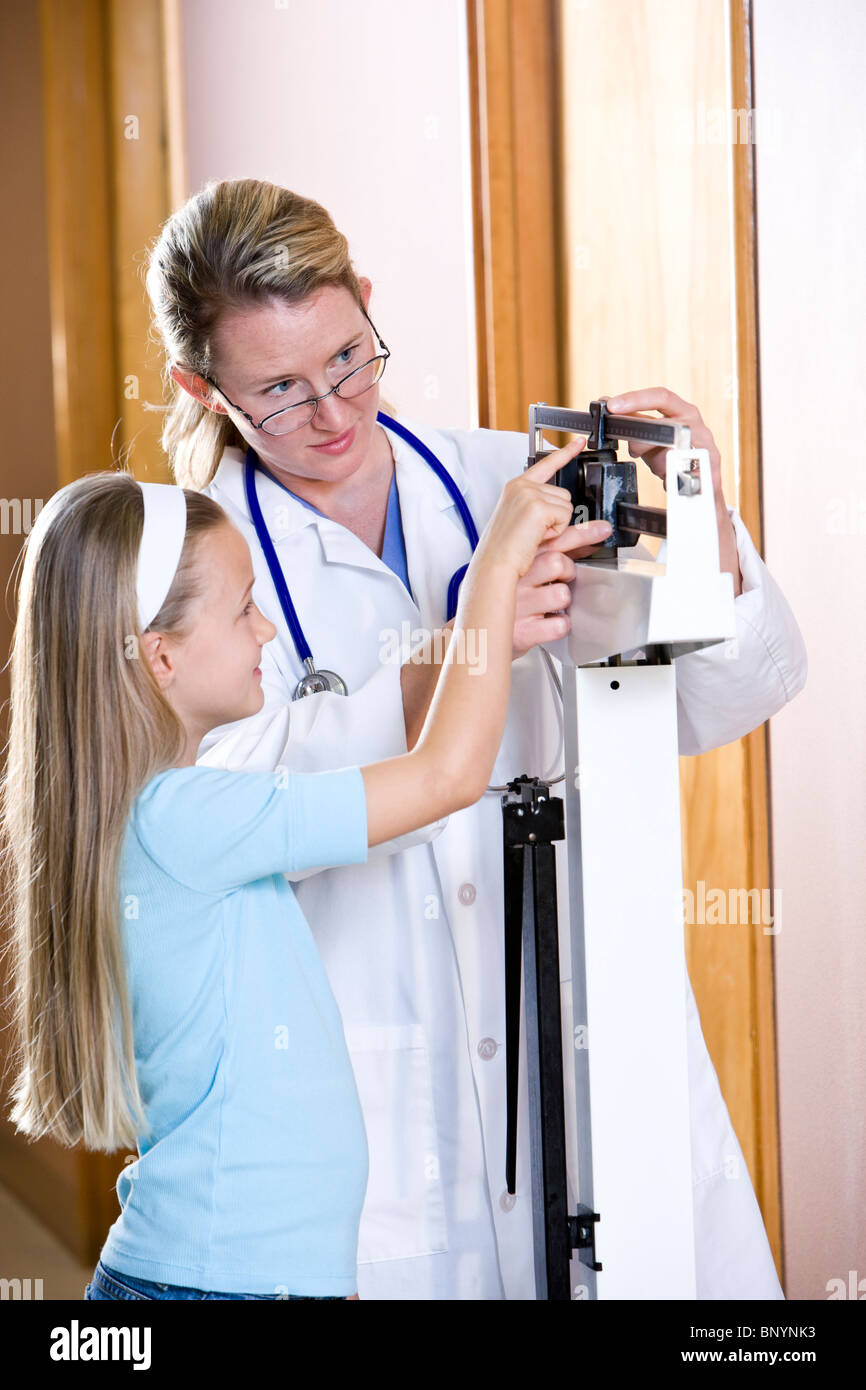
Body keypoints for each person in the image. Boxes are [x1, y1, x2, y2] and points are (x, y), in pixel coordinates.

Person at [146, 178, 807, 1300]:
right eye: (279, 389)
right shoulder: (183, 566)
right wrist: (471, 634)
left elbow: (726, 700)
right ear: (198, 388)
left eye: (351, 357)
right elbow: (231, 810)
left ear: (364, 300)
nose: (333, 411)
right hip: (384, 1113)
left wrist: (708, 534)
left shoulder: (512, 477)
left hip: (593, 1065)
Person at [0, 445, 589, 1299]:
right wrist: (493, 578)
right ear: (160, 657)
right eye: (244, 612)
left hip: (251, 1277)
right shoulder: (187, 820)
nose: (267, 631)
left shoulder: (173, 813)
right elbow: (448, 777)